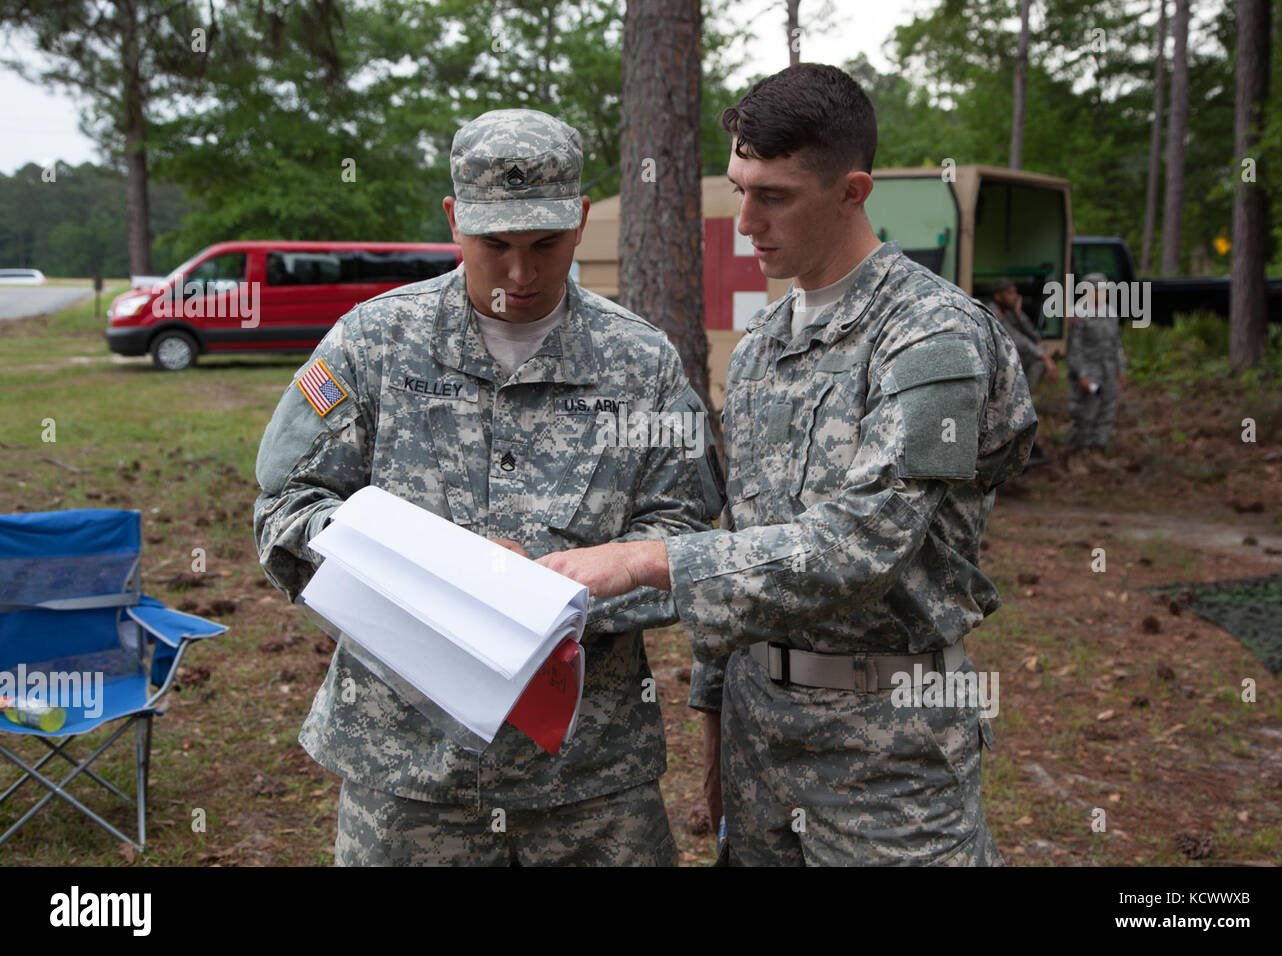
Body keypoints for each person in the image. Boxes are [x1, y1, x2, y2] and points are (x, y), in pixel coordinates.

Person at [538, 63, 1037, 866]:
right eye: (740, 189)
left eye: (773, 196)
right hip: (760, 735)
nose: (745, 221)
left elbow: (864, 542)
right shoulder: (765, 345)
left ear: (852, 191)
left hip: (887, 752)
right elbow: (746, 532)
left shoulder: (931, 336)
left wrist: (647, 559)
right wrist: (714, 720)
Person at [253, 108, 723, 866]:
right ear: (453, 220)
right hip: (407, 772)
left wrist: (554, 597)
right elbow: (286, 509)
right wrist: (432, 573)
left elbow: (693, 538)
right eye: (494, 245)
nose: (520, 275)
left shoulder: (642, 365)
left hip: (588, 782)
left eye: (545, 245)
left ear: (581, 218)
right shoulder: (374, 343)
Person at [987, 277, 1056, 468]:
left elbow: (1034, 337)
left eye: (1016, 292)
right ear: (998, 296)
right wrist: (1044, 357)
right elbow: (1016, 339)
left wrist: (1019, 315)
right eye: (1010, 293)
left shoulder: (1011, 313)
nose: (1016, 297)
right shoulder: (993, 312)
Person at [1065, 271, 1126, 473]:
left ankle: (1096, 451)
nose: (1104, 293)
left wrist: (1121, 369)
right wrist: (1082, 375)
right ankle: (1075, 455)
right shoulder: (1078, 314)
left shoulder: (1110, 312)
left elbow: (1115, 344)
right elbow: (1075, 348)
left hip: (1107, 370)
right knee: (1084, 413)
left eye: (1105, 290)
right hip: (1089, 372)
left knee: (1106, 411)